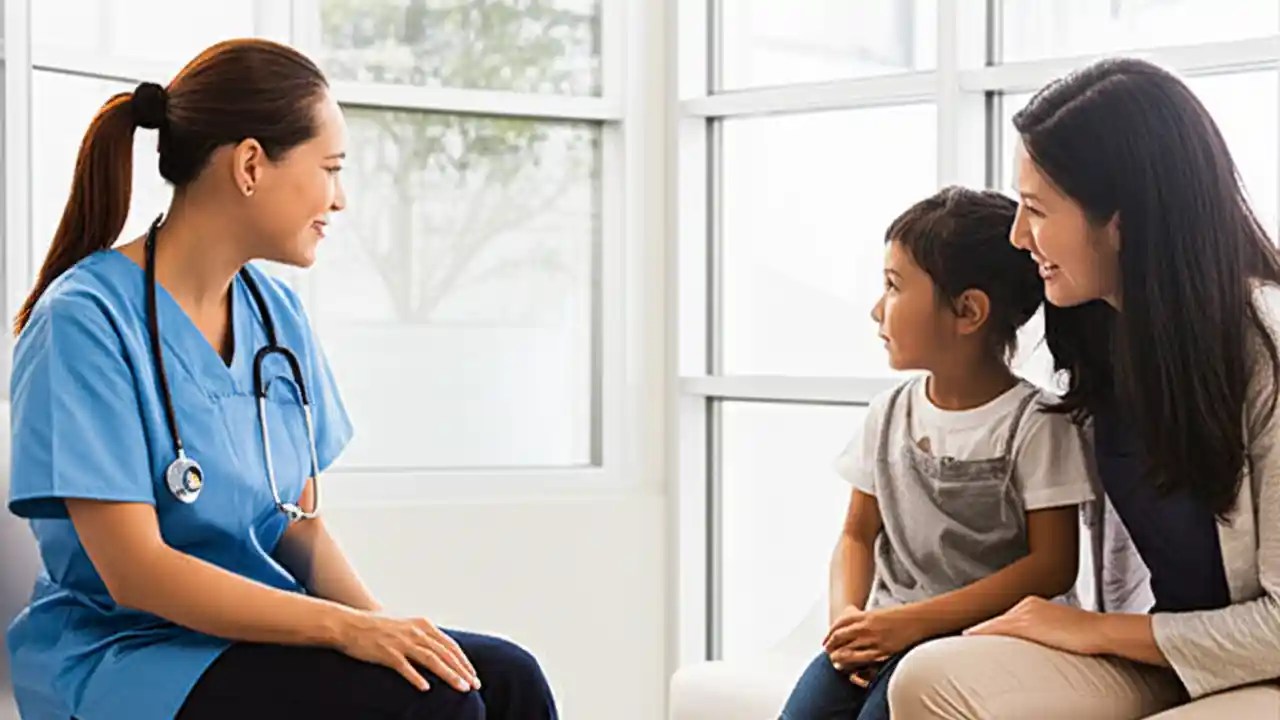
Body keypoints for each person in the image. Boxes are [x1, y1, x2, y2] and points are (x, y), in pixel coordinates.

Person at [5, 39, 557, 720]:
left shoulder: (274, 312)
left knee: (500, 681)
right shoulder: (86, 322)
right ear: (250, 165)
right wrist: (345, 630)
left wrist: (393, 636)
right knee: (436, 711)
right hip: (128, 658)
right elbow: (137, 572)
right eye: (330, 168)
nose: (340, 198)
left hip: (254, 640)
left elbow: (299, 531)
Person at [886, 58, 1280, 718]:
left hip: (1262, 671)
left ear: (1122, 222)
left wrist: (1093, 631)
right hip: (1167, 654)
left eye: (1036, 211)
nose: (1019, 237)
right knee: (927, 681)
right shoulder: (1101, 336)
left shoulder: (1265, 348)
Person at [779, 187, 1096, 719]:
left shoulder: (1037, 425)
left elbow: (1052, 567)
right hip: (884, 632)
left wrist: (913, 623)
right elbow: (857, 533)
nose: (877, 308)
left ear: (968, 311)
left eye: (894, 286)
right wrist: (847, 621)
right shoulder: (888, 414)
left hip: (980, 644)